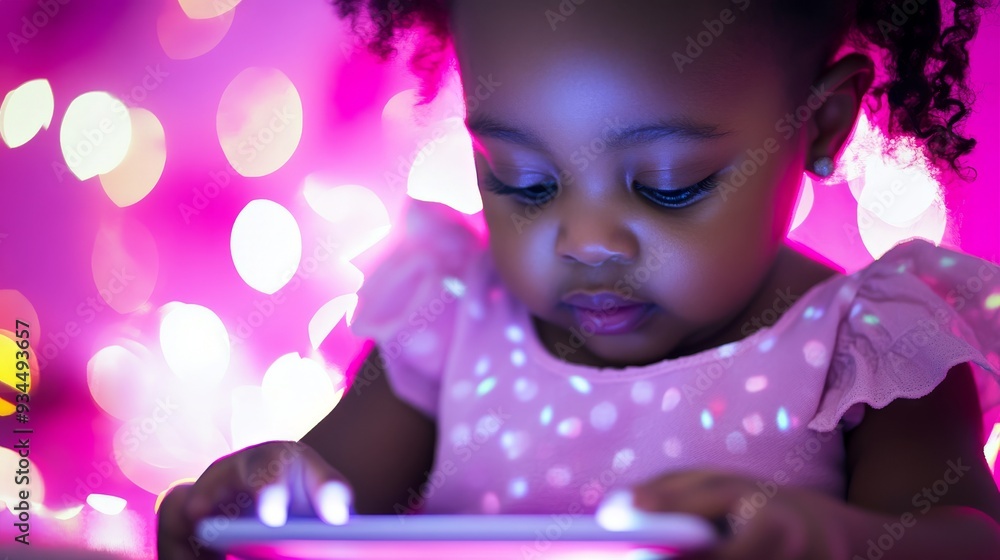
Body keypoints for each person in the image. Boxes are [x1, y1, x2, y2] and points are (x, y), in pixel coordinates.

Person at [158, 1, 1000, 558]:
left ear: (822, 120)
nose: (586, 242)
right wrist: (246, 503)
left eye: (669, 183)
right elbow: (322, 491)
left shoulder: (870, 345)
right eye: (524, 181)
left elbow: (964, 535)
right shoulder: (453, 317)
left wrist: (838, 540)